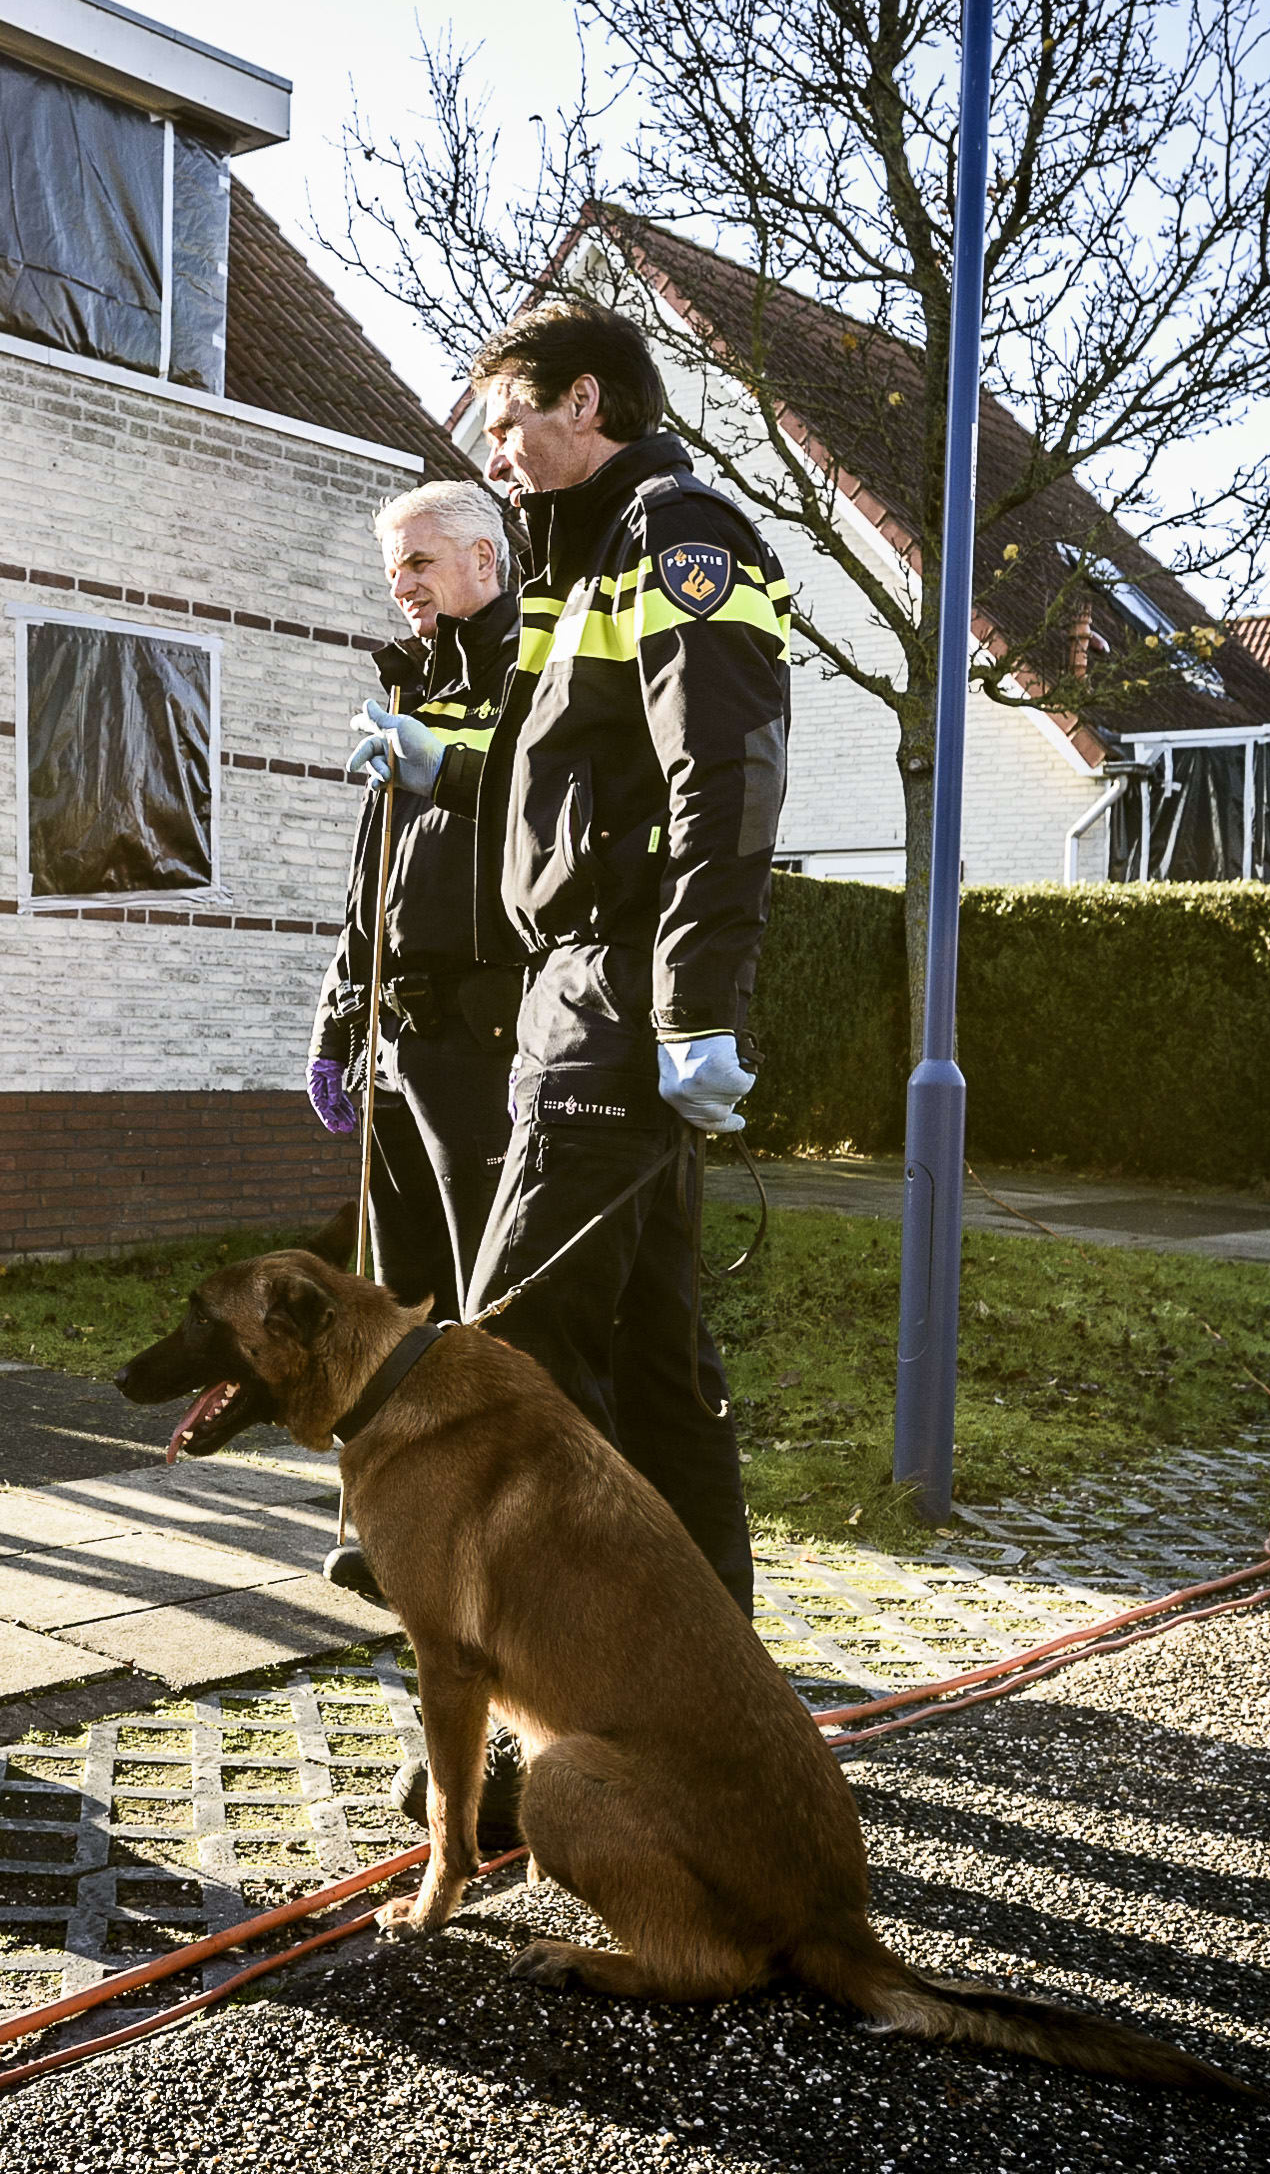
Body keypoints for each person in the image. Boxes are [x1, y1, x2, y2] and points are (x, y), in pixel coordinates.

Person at [350, 297, 788, 1612]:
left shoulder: (677, 540)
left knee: (499, 1380)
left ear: (584, 402)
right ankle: (713, 1701)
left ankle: (500, 1739)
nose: (496, 454)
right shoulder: (580, 569)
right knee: (656, 1364)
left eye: (508, 421)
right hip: (589, 987)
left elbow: (725, 776)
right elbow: (565, 775)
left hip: (612, 989)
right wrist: (445, 763)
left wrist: (693, 1003)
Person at [309, 480, 527, 1328]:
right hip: (393, 1044)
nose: (400, 584)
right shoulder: (411, 690)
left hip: (483, 1041)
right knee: (398, 1303)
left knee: (489, 1298)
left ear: (484, 558)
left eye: (418, 561)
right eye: (391, 568)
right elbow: (373, 889)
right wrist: (335, 1029)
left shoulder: (534, 678)